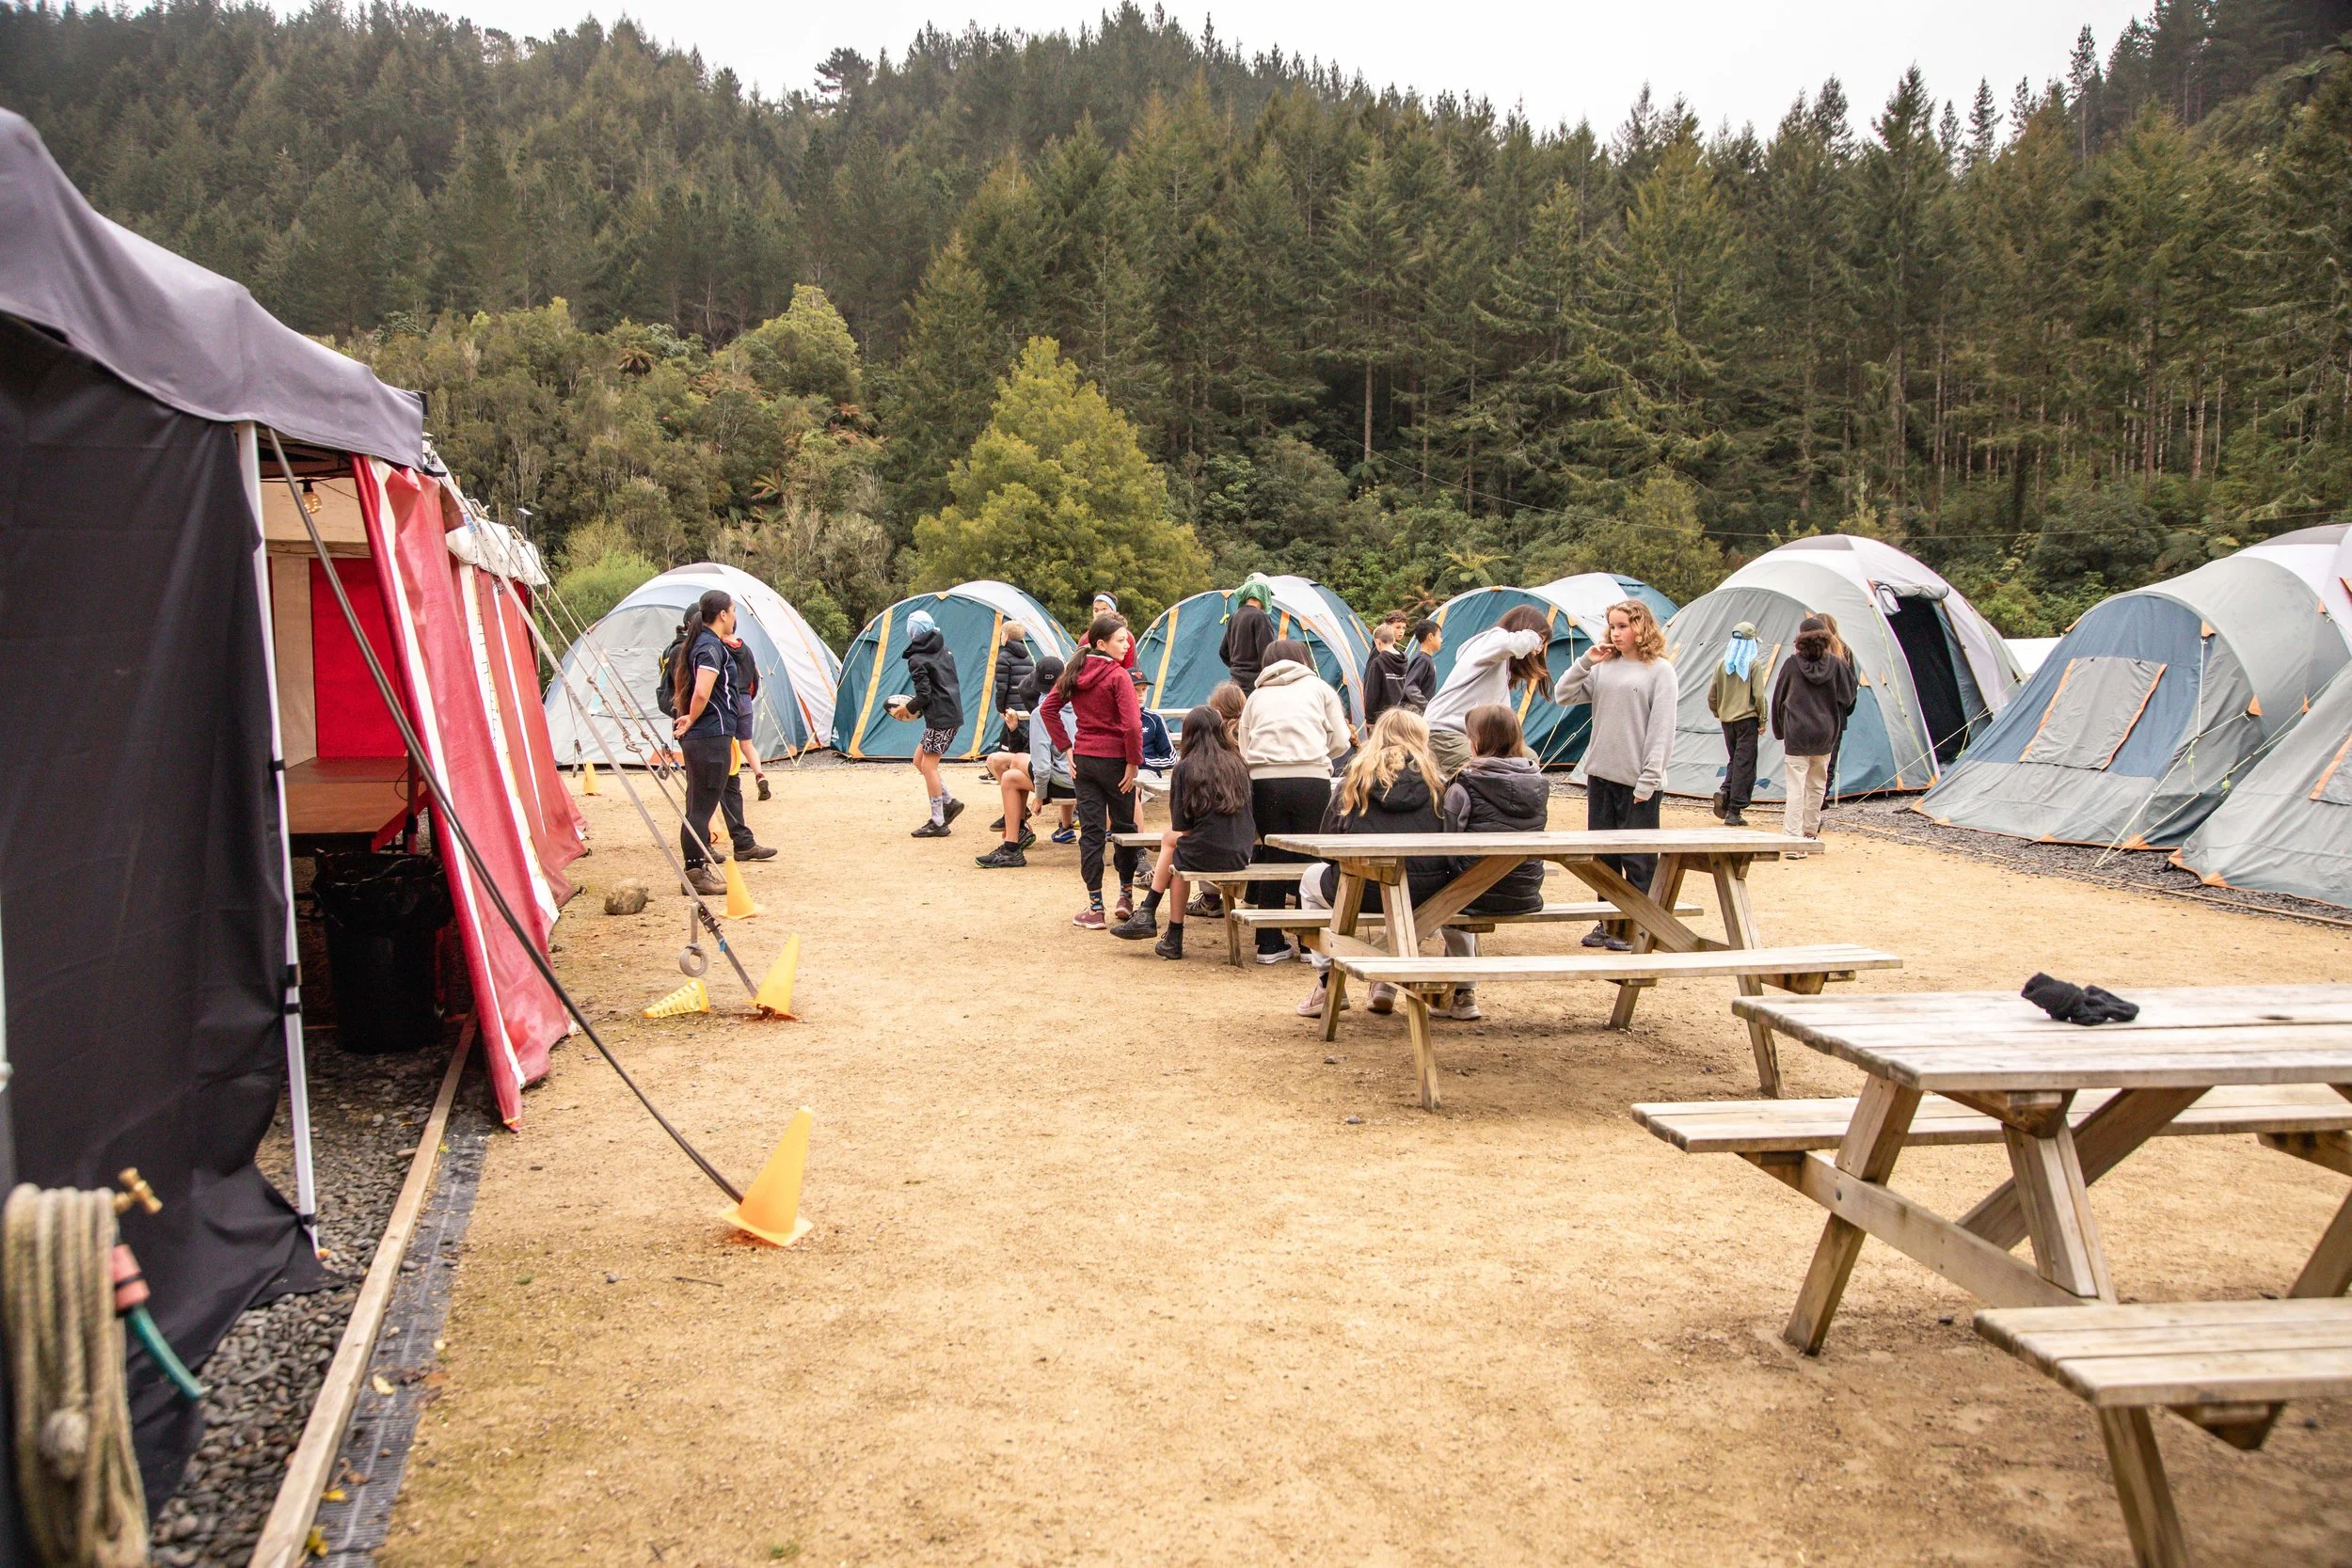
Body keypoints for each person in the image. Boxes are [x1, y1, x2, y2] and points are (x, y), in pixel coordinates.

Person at [1294, 708, 1460, 1019]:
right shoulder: (1440, 785)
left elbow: (1327, 846)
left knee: (1310, 879)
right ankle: (1388, 984)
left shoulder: (1355, 778)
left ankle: (1328, 982)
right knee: (1453, 889)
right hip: (1426, 893)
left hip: (1362, 888)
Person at [1552, 598, 1678, 951]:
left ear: (1641, 626)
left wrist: (1650, 779)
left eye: (1623, 625)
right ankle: (1608, 923)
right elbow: (1563, 695)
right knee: (1602, 856)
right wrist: (1586, 661)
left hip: (1637, 780)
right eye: (1612, 626)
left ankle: (1638, 926)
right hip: (1601, 775)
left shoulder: (1660, 671)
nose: (1616, 632)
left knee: (1637, 859)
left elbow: (1662, 730)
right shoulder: (1605, 667)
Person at [1433, 703, 1551, 1021]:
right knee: (1462, 887)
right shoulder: (1539, 783)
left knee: (1447, 892)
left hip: (1476, 894)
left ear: (1476, 742)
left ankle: (1463, 991)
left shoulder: (1464, 785)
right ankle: (1459, 994)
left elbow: (1448, 844)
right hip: (1525, 889)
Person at [1238, 637, 1351, 962]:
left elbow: (1245, 747)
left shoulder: (1256, 696)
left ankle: (1269, 943)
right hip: (1311, 779)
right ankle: (1307, 941)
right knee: (1310, 858)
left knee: (1272, 854)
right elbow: (1342, 740)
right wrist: (1315, 754)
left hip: (1265, 782)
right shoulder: (1320, 690)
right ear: (1305, 659)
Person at [1110, 705, 1255, 958]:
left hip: (1206, 851)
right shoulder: (1238, 764)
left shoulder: (1187, 768)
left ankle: (1160, 922)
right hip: (1241, 852)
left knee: (1173, 846)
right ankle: (1158, 925)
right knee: (1178, 852)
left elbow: (1182, 827)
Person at [1041, 613, 1144, 928]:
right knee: (1125, 828)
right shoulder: (1118, 676)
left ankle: (1095, 907)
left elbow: (1048, 709)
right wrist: (1132, 762)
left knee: (1092, 832)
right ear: (1102, 643)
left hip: (1084, 760)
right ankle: (1125, 896)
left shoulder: (1075, 671)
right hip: (1116, 763)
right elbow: (1131, 726)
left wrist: (1067, 747)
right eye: (1121, 639)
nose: (1127, 644)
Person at [666, 588, 739, 897]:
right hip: (710, 735)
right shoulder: (710, 648)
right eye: (733, 611)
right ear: (722, 615)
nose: (734, 617)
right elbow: (702, 692)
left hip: (705, 735)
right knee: (702, 808)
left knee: (698, 805)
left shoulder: (702, 644)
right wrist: (692, 718)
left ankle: (696, 868)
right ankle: (695, 872)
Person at [1423, 605, 1550, 781]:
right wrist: (1536, 636)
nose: (1538, 650)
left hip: (1477, 738)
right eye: (1540, 642)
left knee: (1528, 760)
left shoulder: (1501, 665)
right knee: (1485, 775)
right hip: (1445, 733)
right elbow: (1509, 644)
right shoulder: (1491, 640)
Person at [976, 656, 1075, 868]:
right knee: (1011, 777)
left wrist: (1039, 797)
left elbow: (1042, 766)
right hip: (1089, 777)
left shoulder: (1043, 712)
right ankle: (1013, 842)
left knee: (1018, 761)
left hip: (1066, 784)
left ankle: (1015, 840)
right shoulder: (1080, 703)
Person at [1770, 615, 1856, 841]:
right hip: (1825, 733)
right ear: (1826, 640)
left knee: (1796, 787)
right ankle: (1810, 832)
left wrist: (1779, 730)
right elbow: (1848, 698)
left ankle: (1791, 836)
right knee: (1817, 784)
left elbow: (1779, 699)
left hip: (1797, 733)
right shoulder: (1837, 665)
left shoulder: (1791, 664)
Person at [888, 609, 964, 837]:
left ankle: (938, 821)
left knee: (929, 767)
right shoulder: (944, 649)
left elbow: (924, 695)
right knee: (918, 761)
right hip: (949, 714)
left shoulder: (917, 659)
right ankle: (949, 801)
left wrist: (906, 709)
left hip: (941, 718)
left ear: (912, 633)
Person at [1186, 681, 1252, 918]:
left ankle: (1210, 896)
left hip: (1225, 814)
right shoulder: (1250, 730)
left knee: (1198, 823)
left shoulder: (1216, 738)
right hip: (1249, 815)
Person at [1707, 620, 1770, 828]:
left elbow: (1712, 694)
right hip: (1746, 720)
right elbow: (1759, 696)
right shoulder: (1753, 665)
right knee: (1745, 763)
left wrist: (1719, 712)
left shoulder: (1721, 664)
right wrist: (1762, 719)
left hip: (1727, 721)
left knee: (1735, 759)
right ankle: (1734, 809)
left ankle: (1725, 791)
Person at [722, 627, 775, 804]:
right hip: (745, 699)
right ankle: (760, 776)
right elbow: (754, 677)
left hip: (727, 699)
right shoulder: (746, 650)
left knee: (726, 744)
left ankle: (730, 782)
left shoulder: (720, 648)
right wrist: (748, 697)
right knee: (747, 744)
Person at [1815, 610, 1861, 802]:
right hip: (1836, 714)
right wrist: (1845, 710)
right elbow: (1851, 688)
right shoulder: (1845, 653)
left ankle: (1810, 798)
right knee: (1829, 759)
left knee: (1811, 759)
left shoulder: (1809, 654)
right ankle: (1821, 797)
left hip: (1812, 714)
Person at [1220, 576, 1279, 692]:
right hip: (1255, 686)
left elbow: (1223, 652)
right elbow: (1267, 654)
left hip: (1235, 686)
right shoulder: (1260, 617)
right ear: (1263, 594)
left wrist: (1238, 669)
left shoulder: (1235, 616)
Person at [1361, 611, 1414, 729]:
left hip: (1392, 714)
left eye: (1404, 628)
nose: (1401, 631)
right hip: (1388, 714)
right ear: (1387, 627)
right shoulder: (1379, 654)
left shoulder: (1399, 655)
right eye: (1397, 627)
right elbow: (1371, 683)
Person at [992, 621, 1035, 758]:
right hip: (1025, 704)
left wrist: (1001, 708)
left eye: (1002, 634)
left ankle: (1005, 763)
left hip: (1011, 705)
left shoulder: (1003, 657)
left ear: (1007, 637)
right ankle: (1001, 763)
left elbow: (1002, 687)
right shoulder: (1028, 657)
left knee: (1011, 733)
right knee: (1013, 733)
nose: (1001, 637)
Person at [1404, 619, 1441, 711]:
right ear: (1430, 636)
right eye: (1439, 636)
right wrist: (1428, 707)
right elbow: (1410, 687)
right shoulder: (1423, 660)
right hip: (1414, 715)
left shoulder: (1427, 659)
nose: (1441, 640)